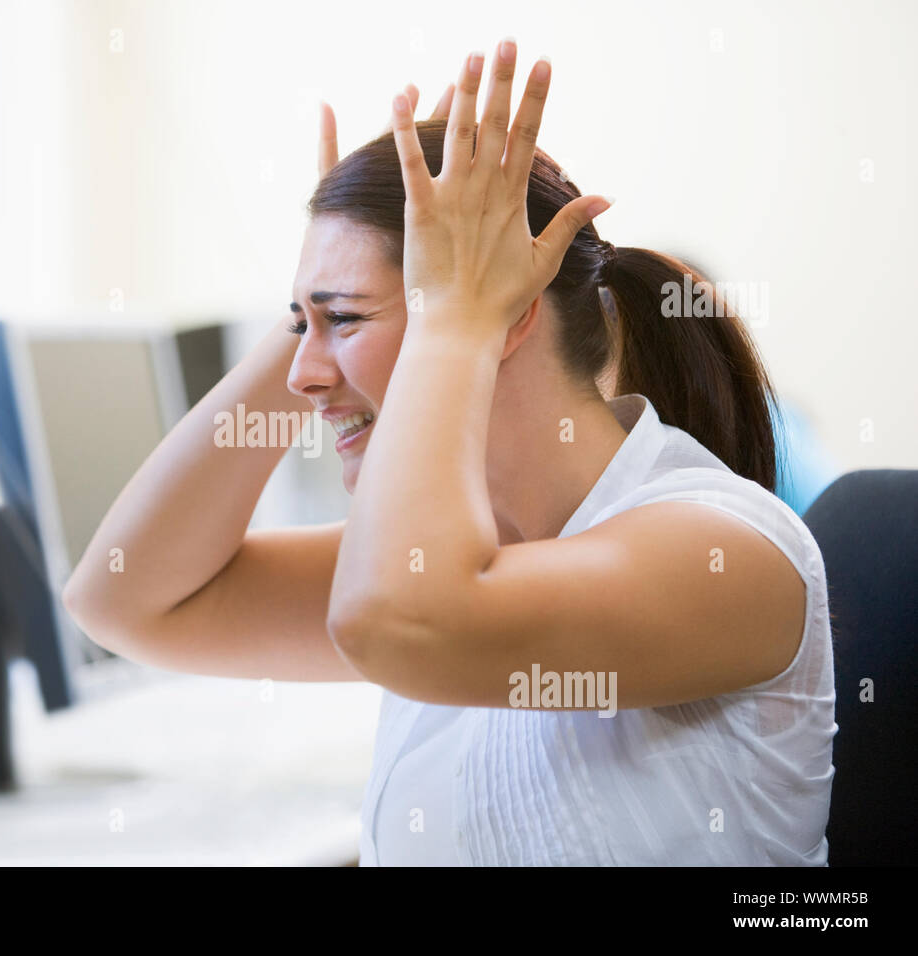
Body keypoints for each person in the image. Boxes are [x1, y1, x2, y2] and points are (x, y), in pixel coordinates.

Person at [63, 40, 835, 866]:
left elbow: (399, 623)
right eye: (300, 326)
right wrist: (323, 296)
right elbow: (124, 599)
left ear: (507, 321)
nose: (302, 376)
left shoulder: (725, 551)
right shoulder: (451, 559)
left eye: (347, 321)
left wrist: (455, 318)